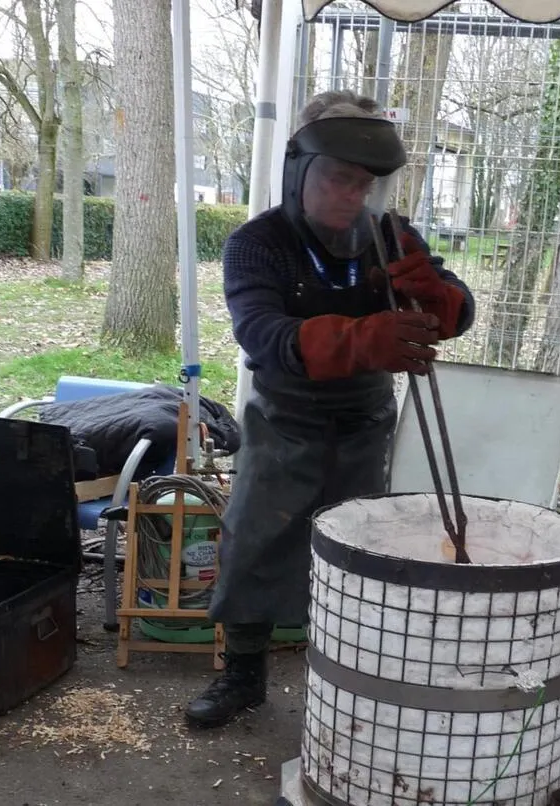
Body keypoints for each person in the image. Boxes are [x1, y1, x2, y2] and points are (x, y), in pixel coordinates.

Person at [185, 90, 476, 728]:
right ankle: (243, 673)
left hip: (366, 416)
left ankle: (347, 674)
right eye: (340, 180)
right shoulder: (257, 243)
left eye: (368, 184)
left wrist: (439, 296)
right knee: (255, 538)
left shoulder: (391, 236)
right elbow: (262, 335)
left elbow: (455, 307)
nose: (355, 197)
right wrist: (361, 338)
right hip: (284, 415)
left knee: (358, 549)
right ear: (301, 171)